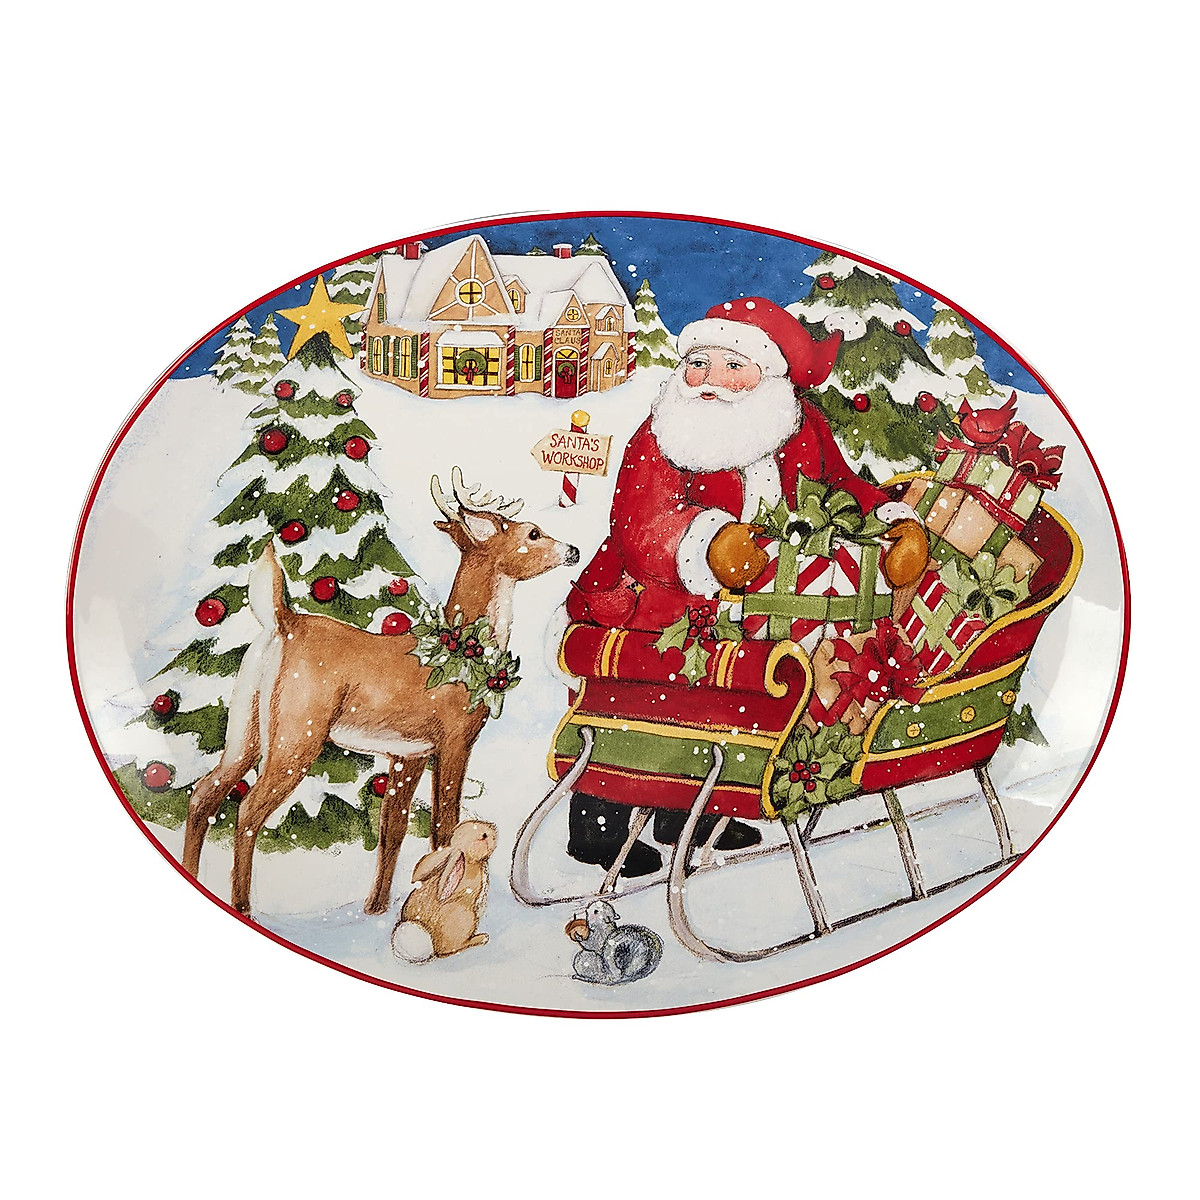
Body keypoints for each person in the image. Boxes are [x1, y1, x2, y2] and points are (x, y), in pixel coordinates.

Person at [563, 296, 927, 876]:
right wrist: (708, 543)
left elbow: (840, 485)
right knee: (642, 702)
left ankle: (695, 809)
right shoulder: (663, 433)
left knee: (731, 703)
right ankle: (598, 821)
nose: (710, 380)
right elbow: (640, 523)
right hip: (653, 596)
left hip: (755, 600)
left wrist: (890, 521)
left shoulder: (798, 426)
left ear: (770, 376)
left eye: (733, 366)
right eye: (698, 364)